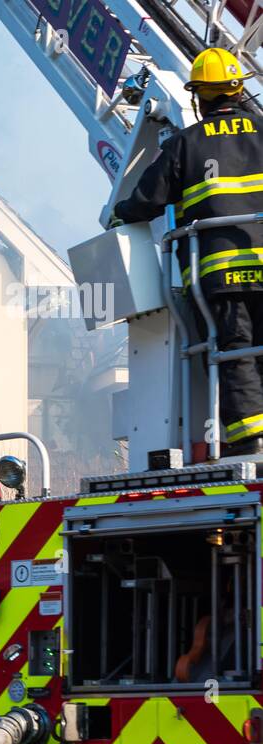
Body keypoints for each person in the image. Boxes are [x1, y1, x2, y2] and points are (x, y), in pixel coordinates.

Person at [111, 48, 263, 455]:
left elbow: (148, 198)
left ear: (198, 95)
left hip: (219, 274)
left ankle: (250, 440)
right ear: (238, 90)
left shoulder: (186, 143)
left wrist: (118, 215)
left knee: (233, 350)